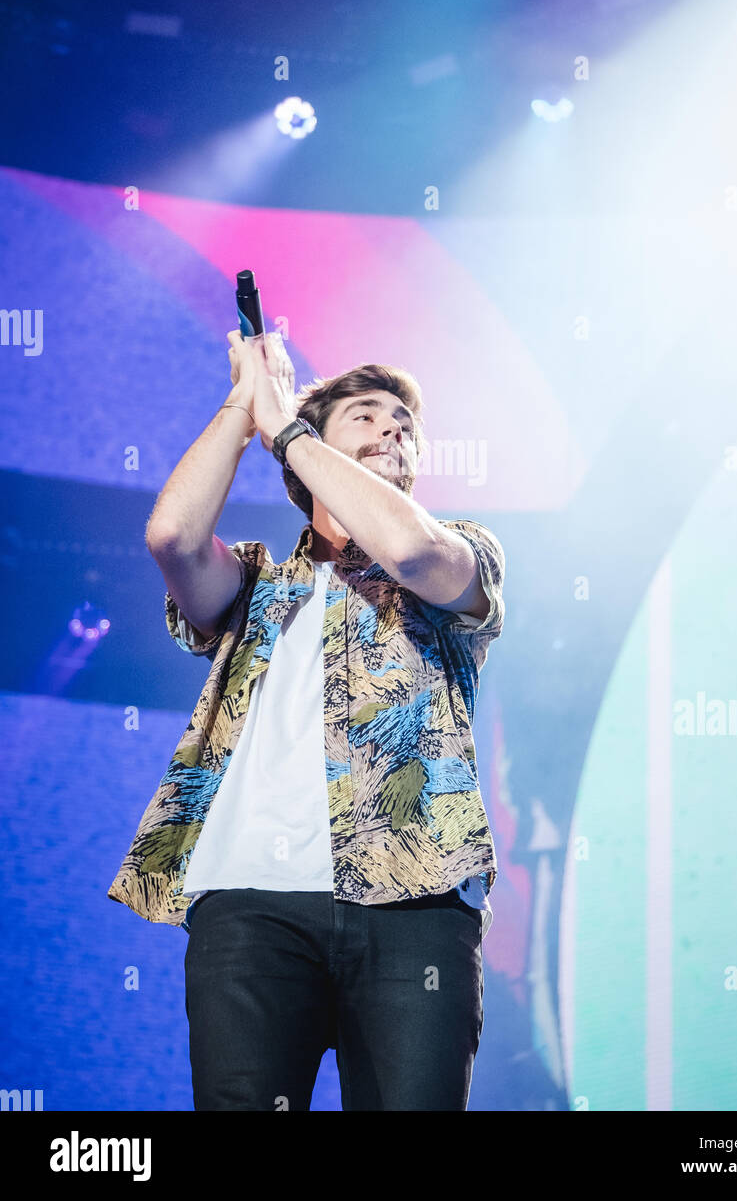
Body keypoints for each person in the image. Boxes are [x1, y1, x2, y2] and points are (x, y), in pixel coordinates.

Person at [107, 329, 506, 1111]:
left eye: (404, 423)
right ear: (313, 451)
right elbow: (171, 537)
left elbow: (409, 549)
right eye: (366, 415)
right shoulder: (256, 581)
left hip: (415, 900)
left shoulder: (458, 551)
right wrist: (243, 401)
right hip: (249, 901)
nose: (395, 428)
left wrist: (285, 425)